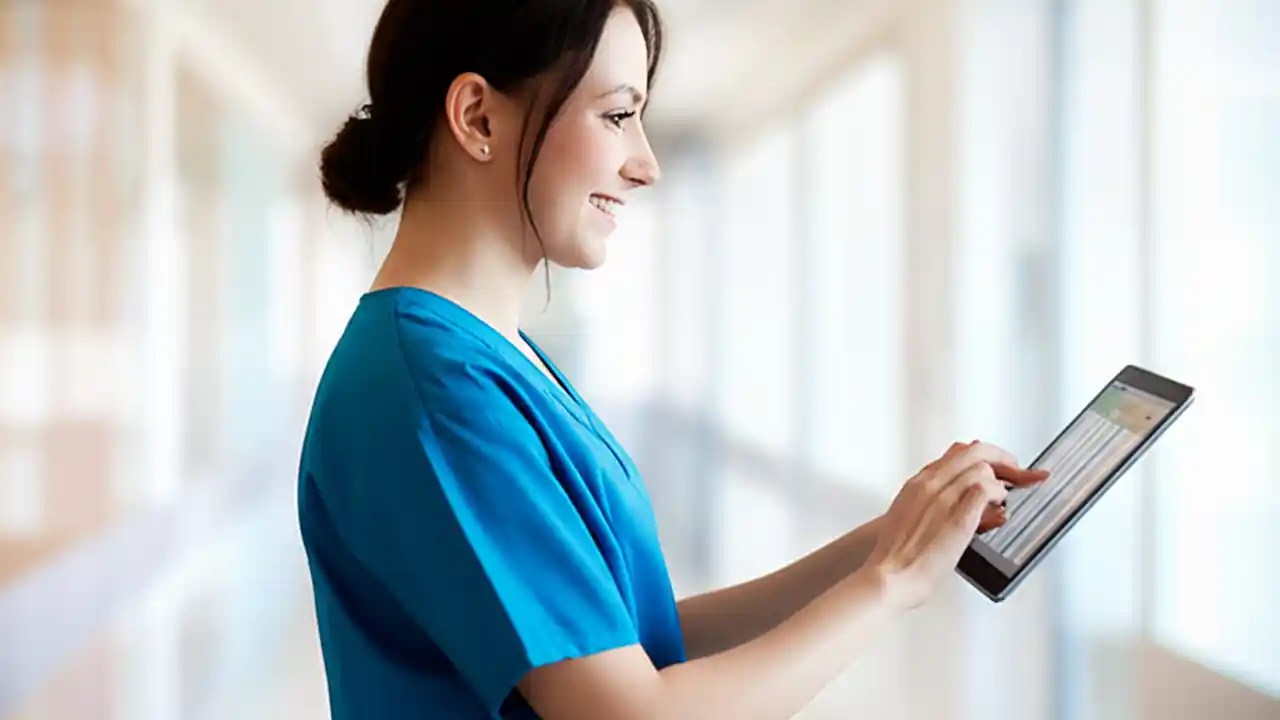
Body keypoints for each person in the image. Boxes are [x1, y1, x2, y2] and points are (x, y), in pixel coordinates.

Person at [295, 1, 1051, 718]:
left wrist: (889, 541)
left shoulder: (483, 358)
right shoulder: (433, 386)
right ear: (478, 116)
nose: (645, 165)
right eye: (618, 116)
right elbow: (631, 712)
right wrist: (892, 584)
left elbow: (629, 649)